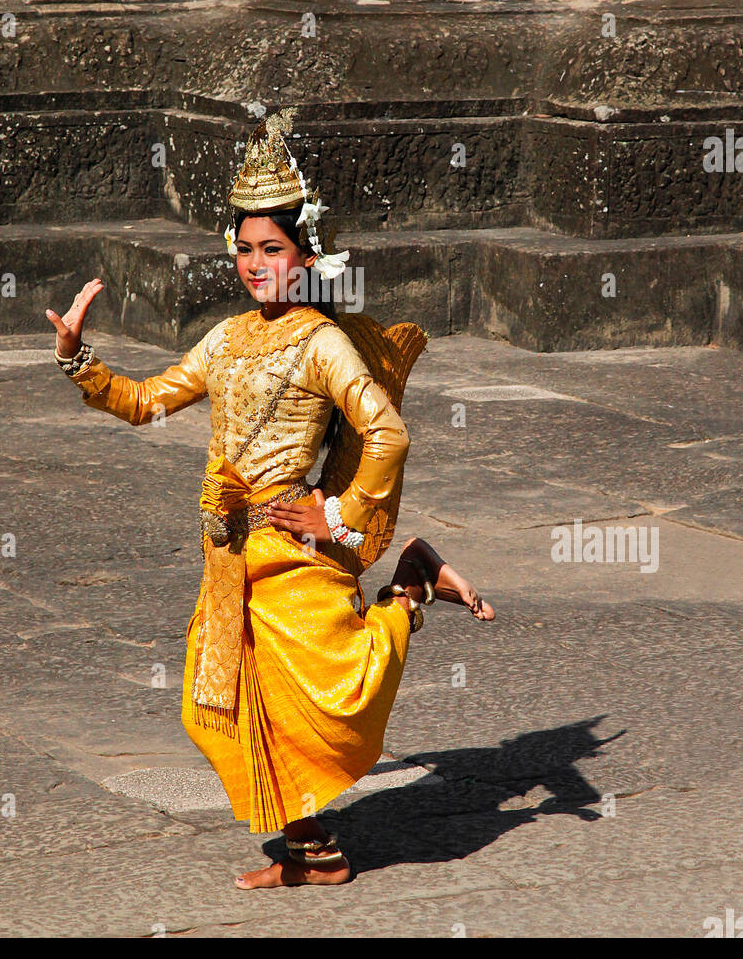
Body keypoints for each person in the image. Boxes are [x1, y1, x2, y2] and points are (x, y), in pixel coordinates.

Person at [46, 112, 494, 889]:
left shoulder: (323, 341)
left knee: (334, 695)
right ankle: (313, 848)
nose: (257, 264)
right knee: (218, 703)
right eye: (246, 249)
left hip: (295, 546)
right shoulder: (224, 338)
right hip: (228, 549)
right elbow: (149, 400)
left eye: (273, 249)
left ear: (306, 255)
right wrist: (79, 359)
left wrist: (337, 516)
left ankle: (412, 585)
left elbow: (386, 436)